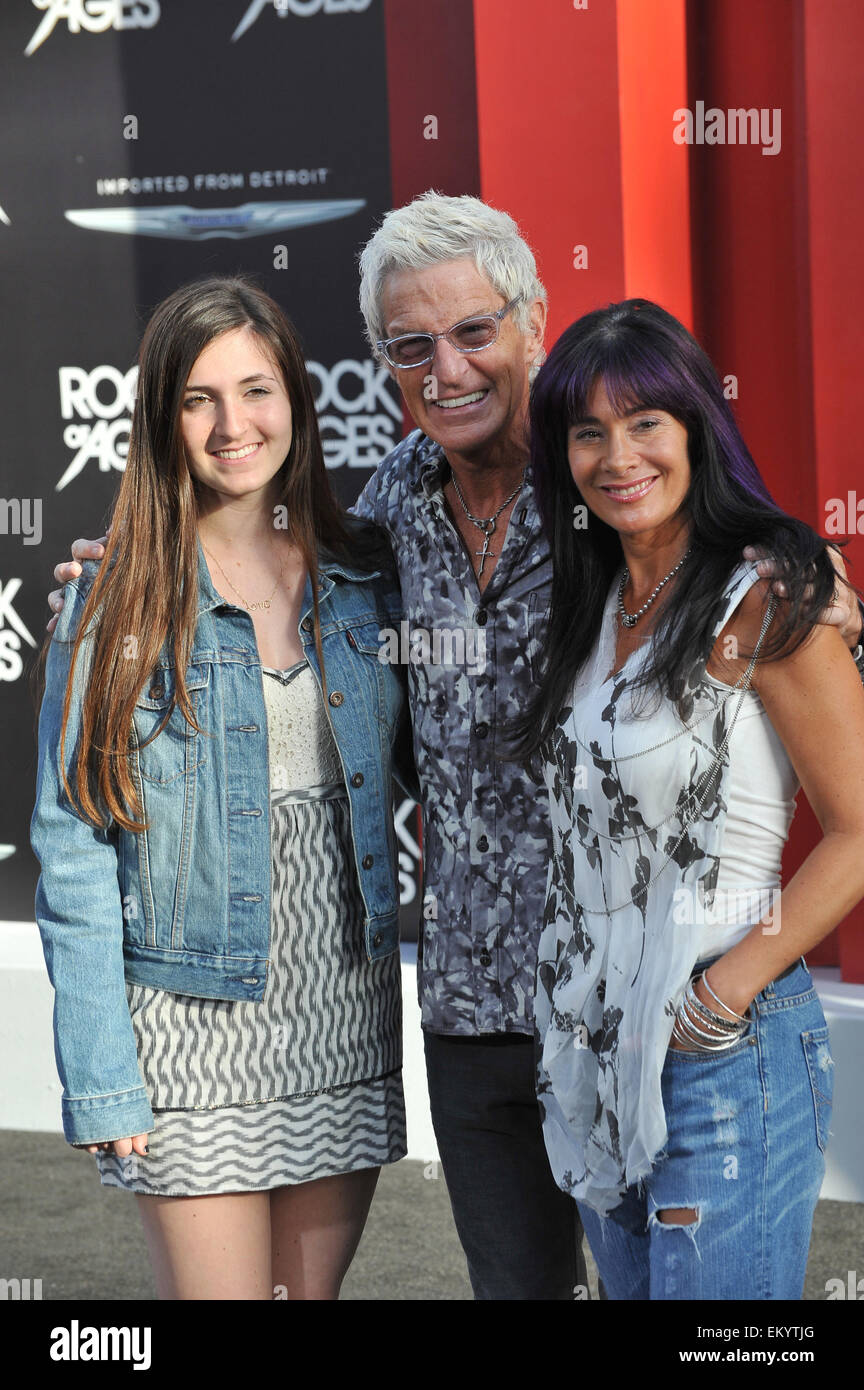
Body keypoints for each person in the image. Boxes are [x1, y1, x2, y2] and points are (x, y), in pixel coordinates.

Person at [45, 193, 864, 1301]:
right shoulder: (383, 512)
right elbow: (257, 583)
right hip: (473, 1020)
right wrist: (134, 557)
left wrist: (808, 577)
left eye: (475, 331)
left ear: (532, 322)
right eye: (409, 346)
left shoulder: (604, 495)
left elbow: (730, 561)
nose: (447, 368)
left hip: (639, 997)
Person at [32, 274, 417, 1301]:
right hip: (187, 1022)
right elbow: (72, 848)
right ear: (162, 418)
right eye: (198, 398)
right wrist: (102, 1070)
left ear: (295, 397)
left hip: (340, 1002)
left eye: (255, 390)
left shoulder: (365, 572)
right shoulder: (114, 600)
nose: (232, 424)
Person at [509, 298, 864, 1299]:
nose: (618, 456)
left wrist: (727, 990)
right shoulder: (595, 601)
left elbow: (860, 829)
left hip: (726, 1047)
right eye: (589, 432)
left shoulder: (766, 593)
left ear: (698, 429)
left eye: (645, 423)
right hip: (600, 1053)